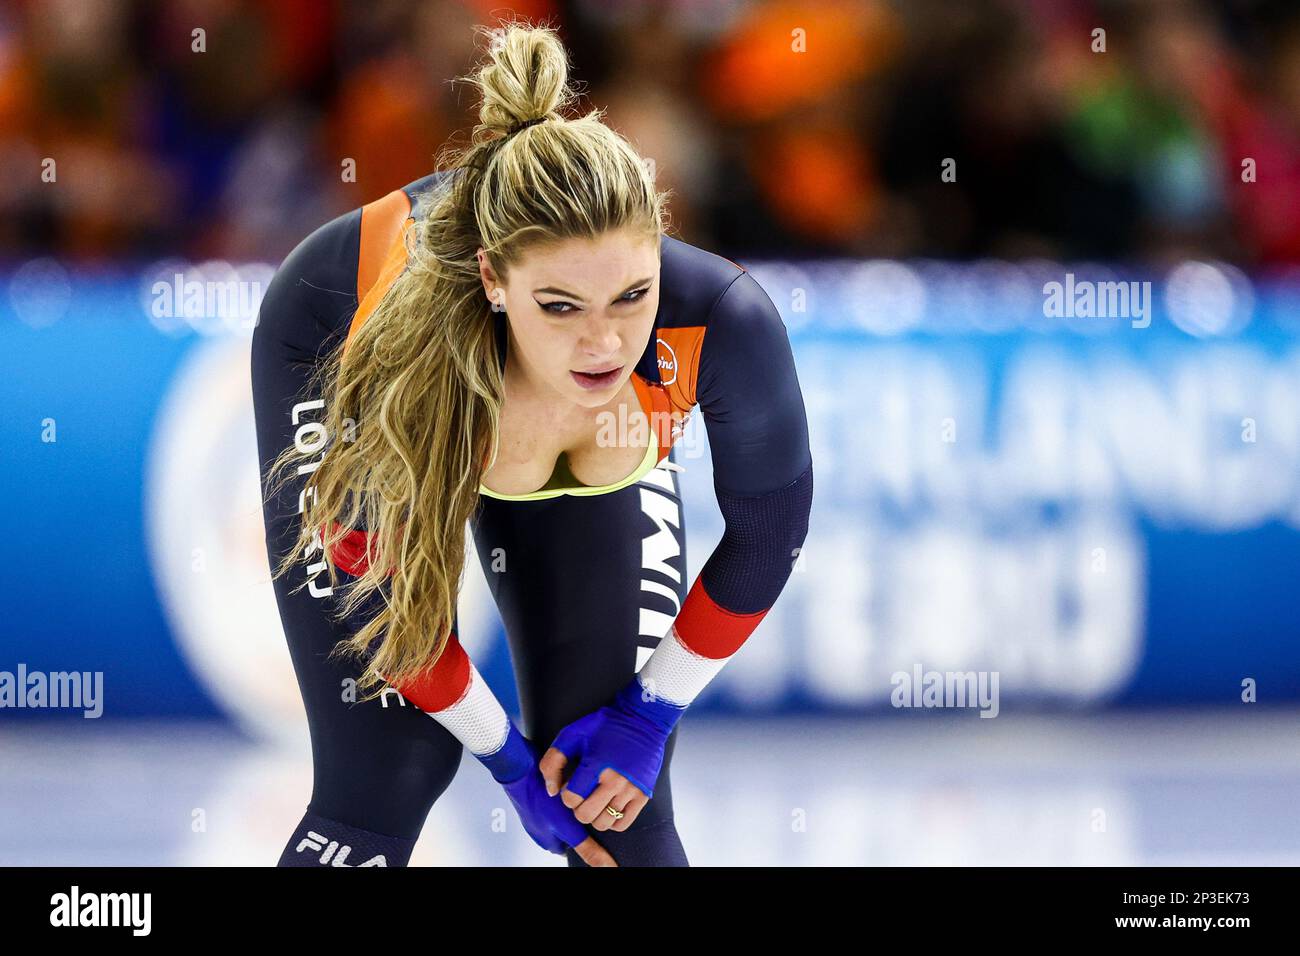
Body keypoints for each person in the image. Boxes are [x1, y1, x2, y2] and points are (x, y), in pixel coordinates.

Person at [251, 20, 812, 868]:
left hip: (529, 427)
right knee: (388, 769)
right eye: (560, 307)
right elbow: (389, 615)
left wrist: (649, 713)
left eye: (633, 295)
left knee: (613, 799)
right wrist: (509, 762)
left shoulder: (721, 323)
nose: (604, 346)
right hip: (333, 342)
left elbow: (770, 534)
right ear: (493, 283)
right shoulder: (415, 359)